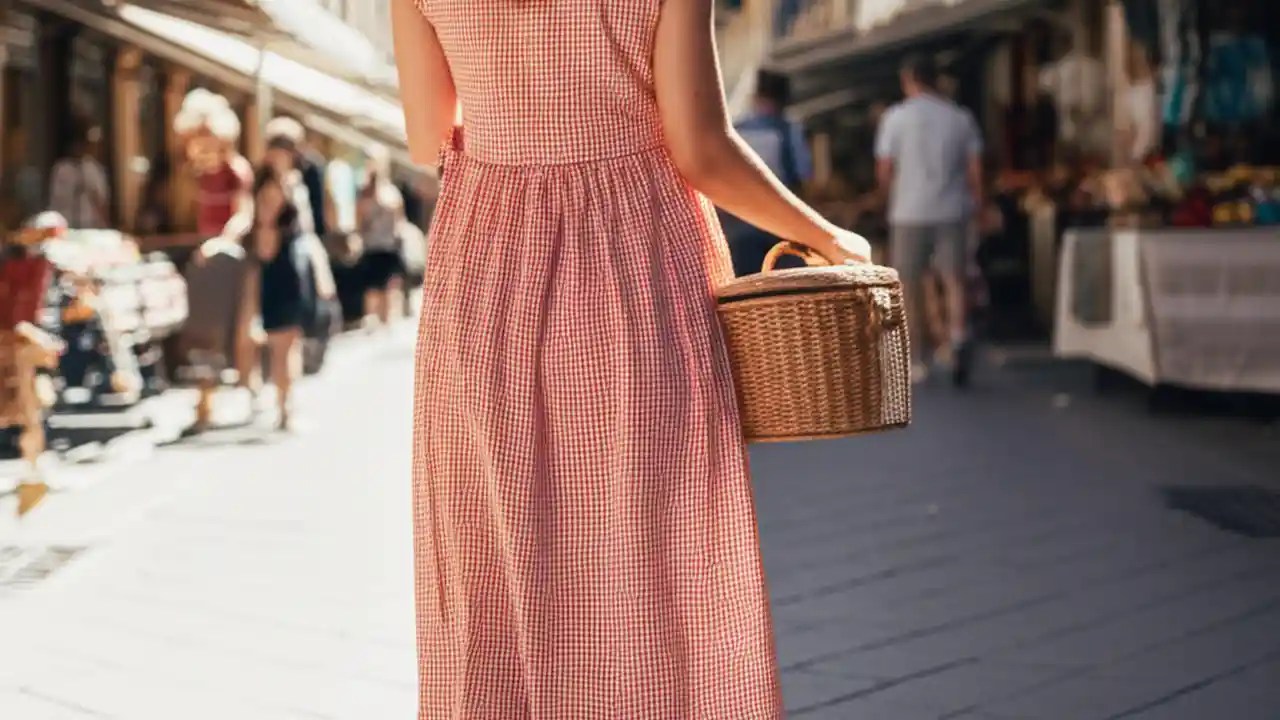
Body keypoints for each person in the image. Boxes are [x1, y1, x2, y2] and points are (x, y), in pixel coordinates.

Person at [392, 0, 869, 716]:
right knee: (654, 549)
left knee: (495, 550)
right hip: (634, 261)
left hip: (486, 266)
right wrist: (830, 237)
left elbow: (429, 134)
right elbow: (701, 148)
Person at [876, 54, 984, 386]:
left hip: (908, 211)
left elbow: (885, 169)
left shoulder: (895, 118)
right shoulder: (959, 117)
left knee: (910, 285)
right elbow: (975, 169)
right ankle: (957, 336)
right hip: (952, 209)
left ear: (909, 80)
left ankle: (917, 358)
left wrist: (887, 199)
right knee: (955, 279)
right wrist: (979, 205)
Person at [722, 70, 815, 276]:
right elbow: (803, 177)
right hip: (782, 229)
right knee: (786, 291)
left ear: (756, 97)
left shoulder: (734, 130)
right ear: (784, 100)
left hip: (739, 226)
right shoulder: (788, 130)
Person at [244, 167, 314, 431]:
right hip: (275, 291)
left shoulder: (291, 226)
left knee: (289, 349)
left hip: (293, 289)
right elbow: (262, 258)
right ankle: (284, 408)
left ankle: (288, 407)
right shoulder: (263, 231)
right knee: (279, 353)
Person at [355, 146, 406, 327]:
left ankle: (388, 326)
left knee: (389, 291)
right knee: (372, 291)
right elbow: (360, 219)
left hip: (389, 247)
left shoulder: (392, 192)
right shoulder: (364, 192)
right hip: (371, 246)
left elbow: (399, 219)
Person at [48, 126, 111, 230]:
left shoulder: (94, 169)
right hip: (67, 224)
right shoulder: (62, 169)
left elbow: (101, 201)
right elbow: (57, 198)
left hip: (90, 225)